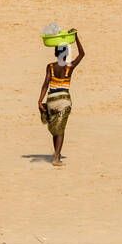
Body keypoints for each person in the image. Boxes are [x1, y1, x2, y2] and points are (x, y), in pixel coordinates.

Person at [37, 29, 85, 166]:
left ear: (55, 53)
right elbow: (82, 54)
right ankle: (56, 158)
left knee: (54, 127)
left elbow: (45, 84)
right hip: (64, 101)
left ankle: (56, 154)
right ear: (67, 53)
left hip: (51, 100)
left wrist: (40, 100)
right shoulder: (69, 66)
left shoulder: (50, 66)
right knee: (61, 129)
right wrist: (76, 37)